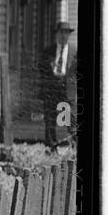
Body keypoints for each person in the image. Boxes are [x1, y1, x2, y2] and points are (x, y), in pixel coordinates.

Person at [42, 21, 77, 149]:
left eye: (66, 33)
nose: (64, 36)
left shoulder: (75, 51)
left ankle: (73, 146)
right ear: (56, 34)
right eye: (61, 32)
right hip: (52, 89)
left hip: (68, 89)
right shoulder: (48, 51)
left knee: (70, 118)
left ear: (69, 35)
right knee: (50, 118)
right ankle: (51, 147)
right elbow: (42, 72)